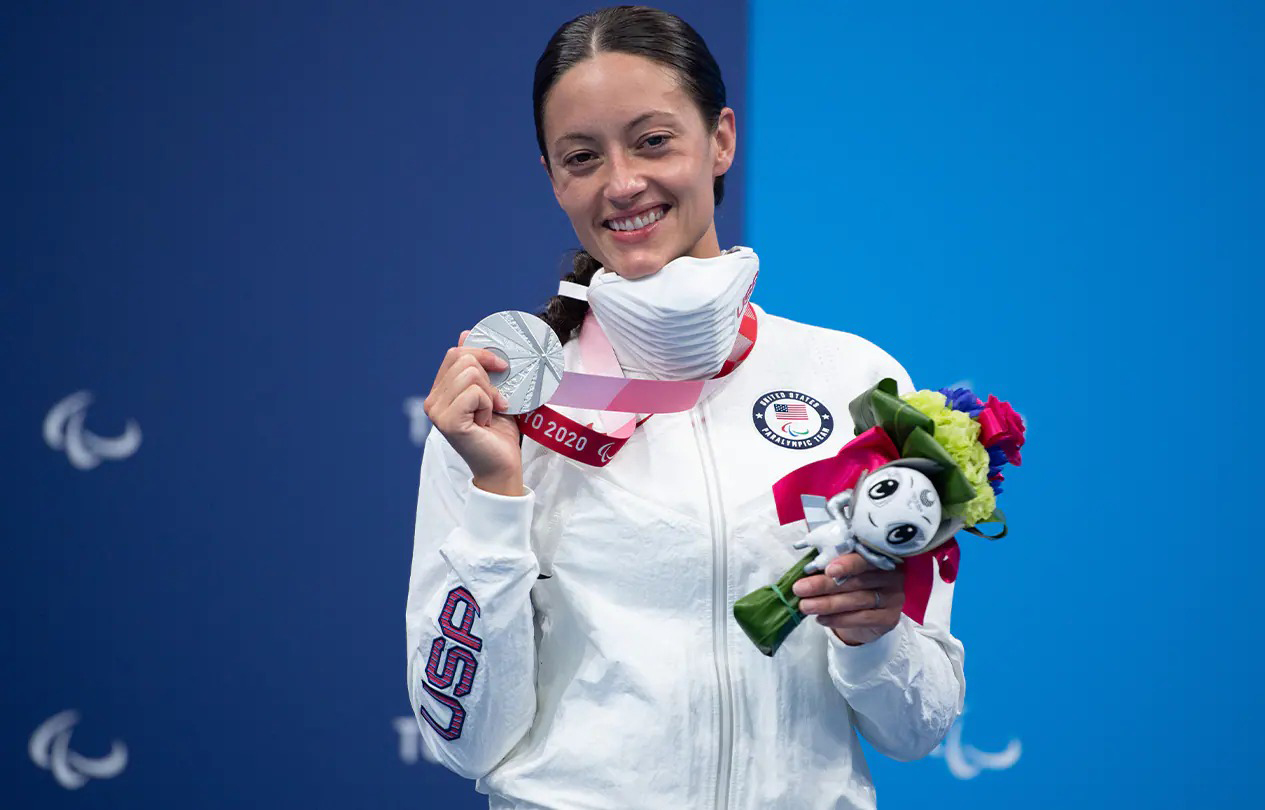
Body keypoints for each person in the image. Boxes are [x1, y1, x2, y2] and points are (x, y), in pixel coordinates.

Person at [406, 7, 965, 809]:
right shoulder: (502, 406)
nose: (621, 182)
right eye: (582, 157)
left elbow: (919, 728)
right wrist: (497, 495)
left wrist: (876, 640)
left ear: (721, 139)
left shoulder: (857, 380)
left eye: (653, 140)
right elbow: (463, 739)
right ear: (555, 178)